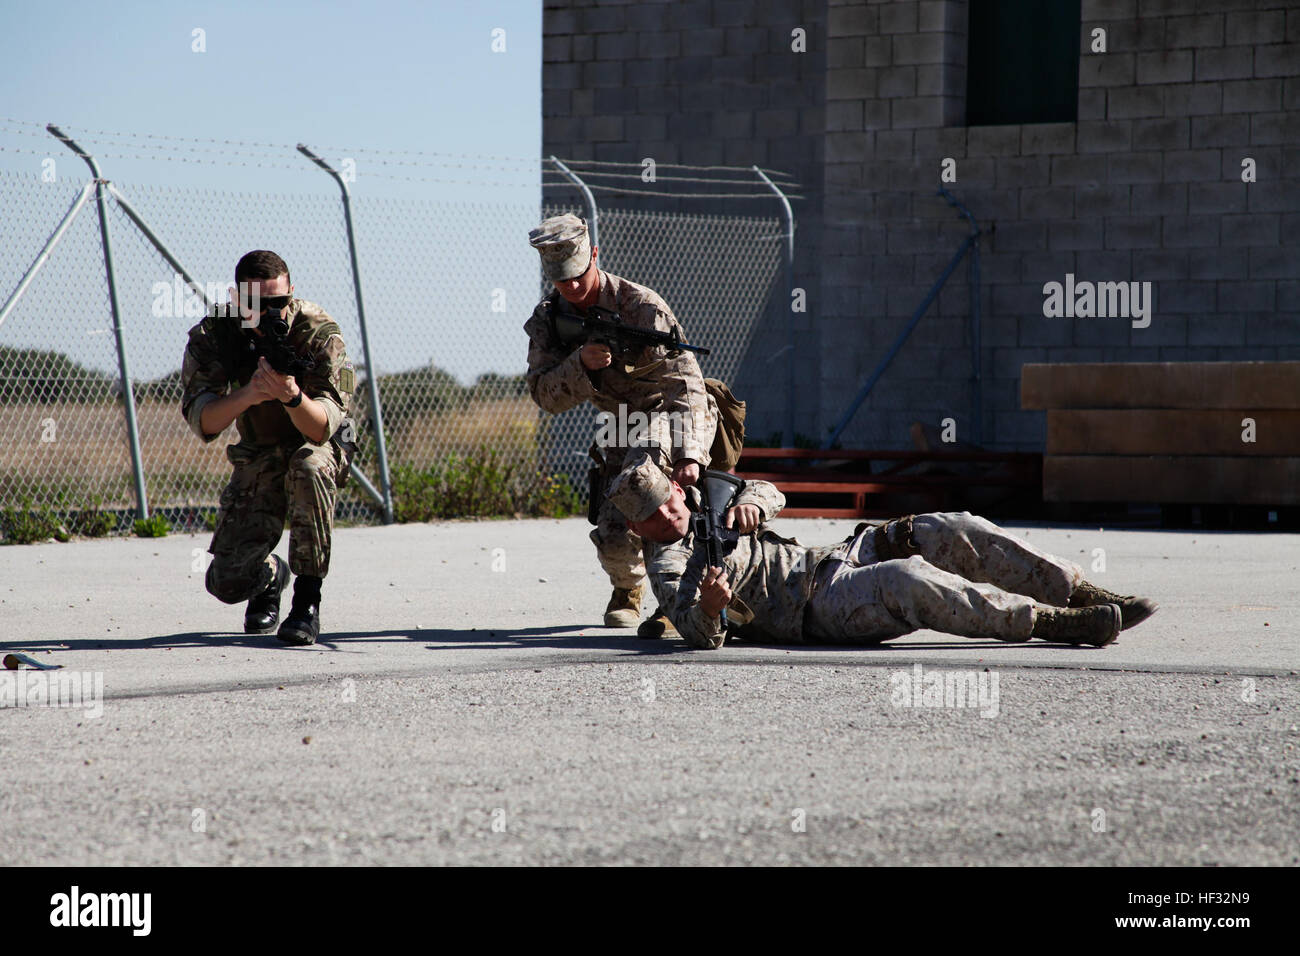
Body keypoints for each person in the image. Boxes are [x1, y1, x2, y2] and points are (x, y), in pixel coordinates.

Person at [605, 459, 1159, 650]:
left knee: (948, 527)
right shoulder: (670, 568)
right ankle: (1052, 624)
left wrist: (753, 501)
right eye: (653, 514)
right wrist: (709, 608)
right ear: (637, 526)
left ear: (677, 487)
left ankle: (1074, 588)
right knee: (906, 579)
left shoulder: (707, 495)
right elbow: (697, 633)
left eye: (669, 498)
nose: (669, 513)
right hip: (817, 607)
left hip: (835, 554)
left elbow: (772, 491)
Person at [524, 213, 716, 635]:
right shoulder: (550, 320)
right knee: (613, 535)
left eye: (578, 277)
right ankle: (628, 589)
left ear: (594, 255)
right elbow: (543, 395)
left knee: (658, 508)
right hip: (618, 427)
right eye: (561, 282)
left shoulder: (642, 307)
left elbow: (688, 385)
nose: (571, 288)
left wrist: (690, 455)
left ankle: (675, 599)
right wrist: (580, 365)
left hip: (665, 416)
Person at [180, 250, 356, 645]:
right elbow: (204, 421)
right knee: (225, 582)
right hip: (261, 449)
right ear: (237, 299)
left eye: (279, 302)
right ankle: (271, 577)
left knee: (309, 465)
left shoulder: (319, 332)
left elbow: (324, 425)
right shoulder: (216, 334)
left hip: (319, 444)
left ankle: (306, 603)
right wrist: (250, 394)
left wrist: (292, 397)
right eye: (258, 305)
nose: (272, 313)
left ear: (292, 292)